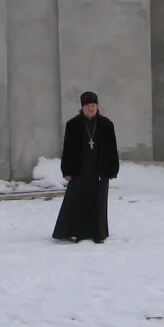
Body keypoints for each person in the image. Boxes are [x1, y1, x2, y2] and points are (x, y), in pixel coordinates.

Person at [52, 90, 119, 243]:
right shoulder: (73, 124)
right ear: (82, 107)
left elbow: (112, 149)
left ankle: (98, 233)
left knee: (99, 203)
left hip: (99, 170)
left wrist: (112, 169)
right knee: (77, 202)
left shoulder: (106, 124)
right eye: (88, 105)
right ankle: (76, 232)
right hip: (79, 170)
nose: (91, 108)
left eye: (94, 105)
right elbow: (68, 149)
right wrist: (67, 170)